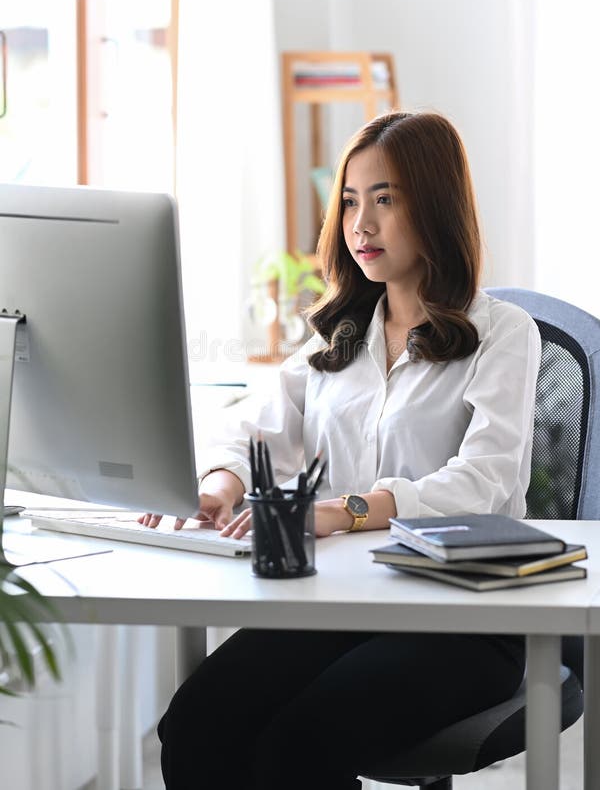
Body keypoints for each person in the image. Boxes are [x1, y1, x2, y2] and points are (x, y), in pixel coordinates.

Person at [145, 111, 541, 789]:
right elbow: (258, 428)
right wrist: (220, 484)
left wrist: (347, 510)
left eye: (386, 200)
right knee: (197, 721)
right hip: (343, 604)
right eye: (352, 202)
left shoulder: (503, 333)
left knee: (301, 745)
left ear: (436, 206)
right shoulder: (342, 338)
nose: (362, 225)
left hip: (467, 617)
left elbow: (485, 480)